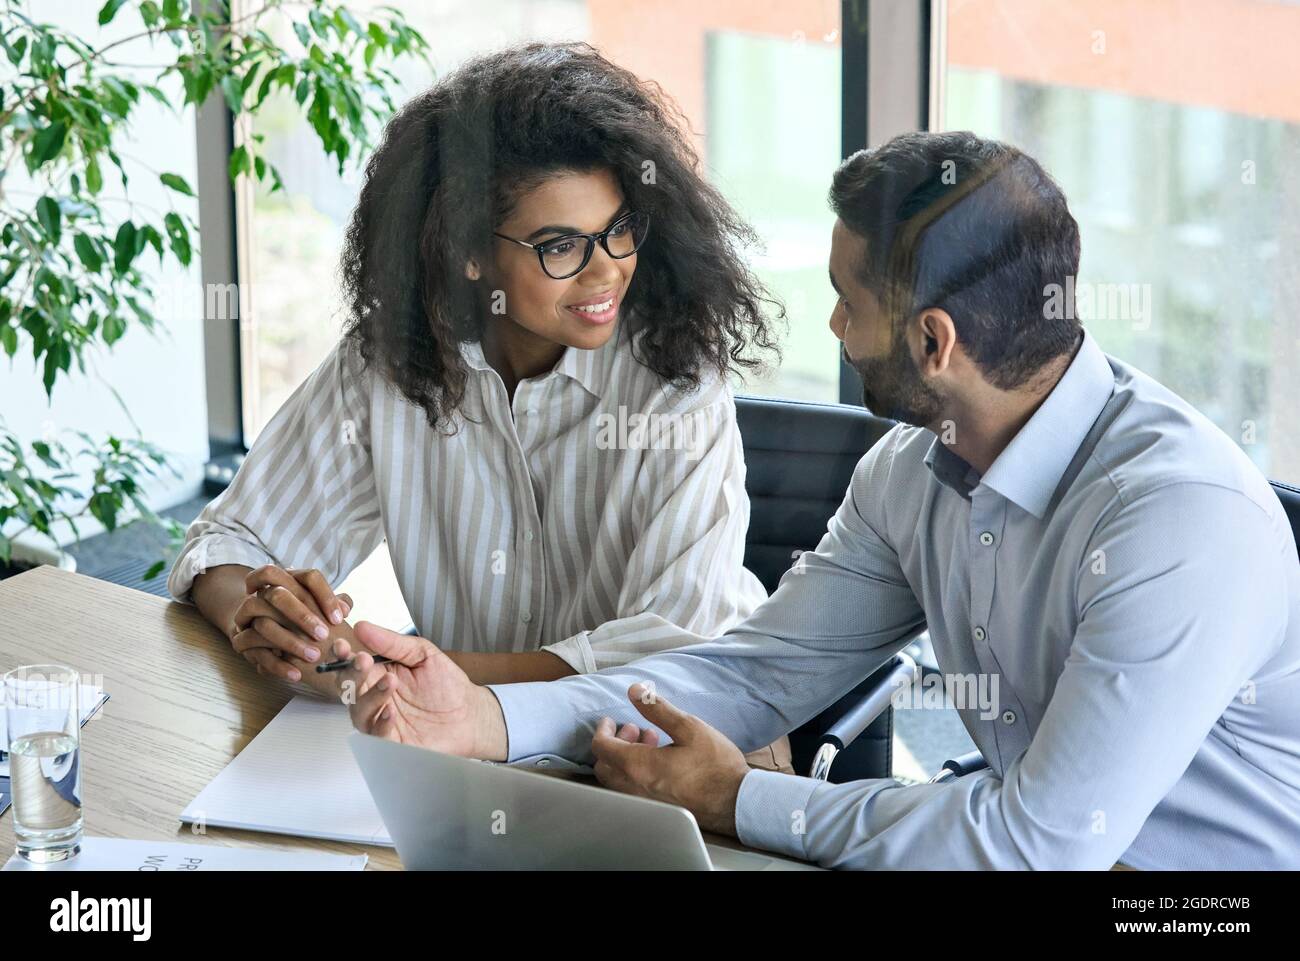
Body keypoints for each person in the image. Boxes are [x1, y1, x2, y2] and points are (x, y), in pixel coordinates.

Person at [336, 131, 1300, 869]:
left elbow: (1037, 846)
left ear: (934, 343)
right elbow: (756, 674)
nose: (833, 324)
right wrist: (486, 718)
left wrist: (736, 798)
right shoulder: (911, 469)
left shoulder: (1177, 523)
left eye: (848, 298)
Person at [167, 42, 794, 772]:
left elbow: (667, 662)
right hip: (464, 754)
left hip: (676, 753)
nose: (608, 269)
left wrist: (414, 676)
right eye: (561, 244)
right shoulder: (391, 358)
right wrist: (272, 618)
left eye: (620, 229)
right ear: (466, 249)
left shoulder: (677, 380)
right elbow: (229, 540)